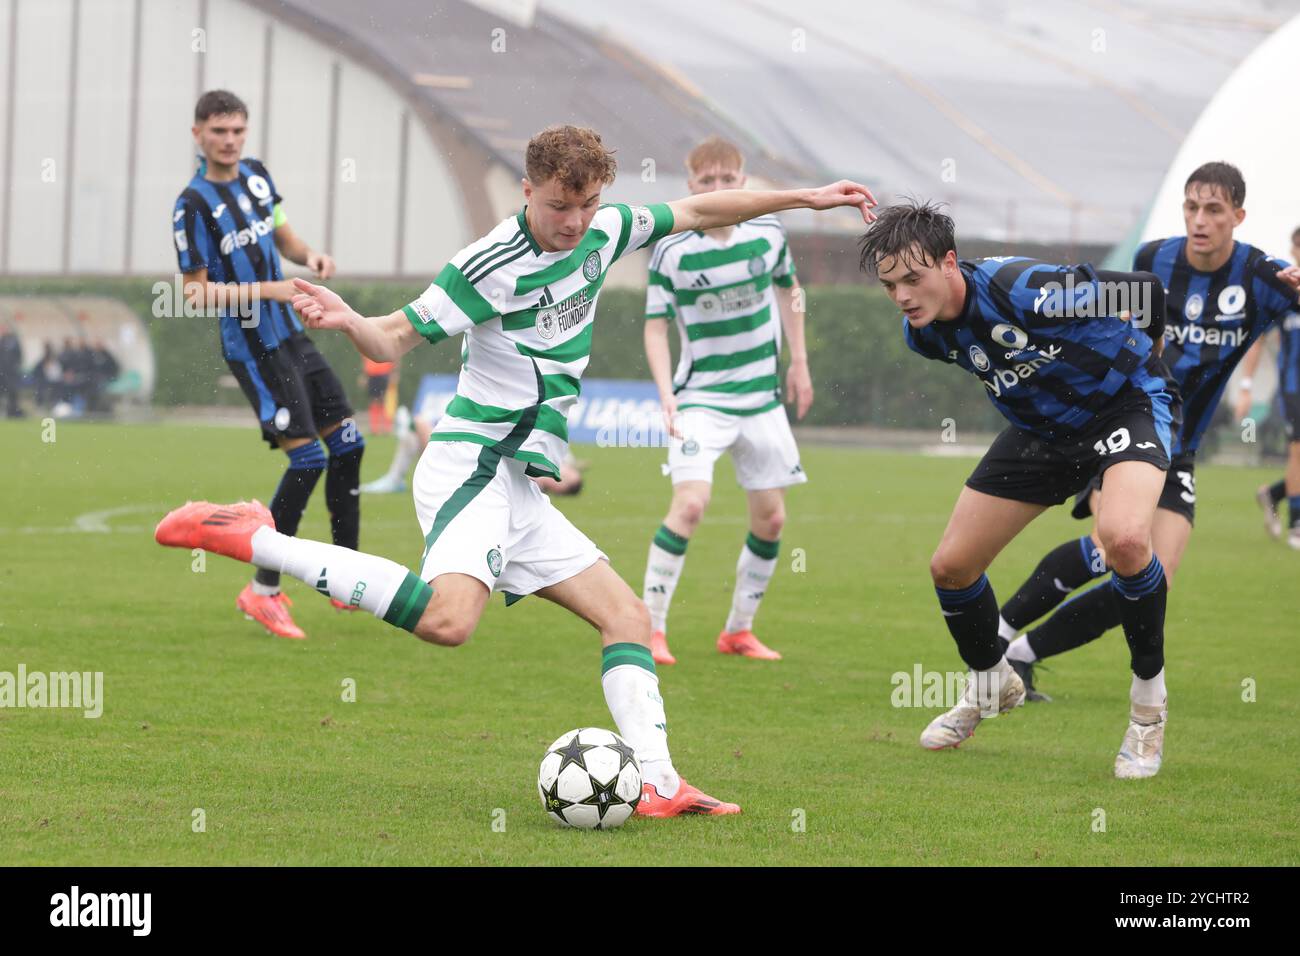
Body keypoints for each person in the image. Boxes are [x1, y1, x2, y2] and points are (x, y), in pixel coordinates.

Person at [156, 123, 875, 816]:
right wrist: (351, 320)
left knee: (625, 616)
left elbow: (696, 208)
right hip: (470, 462)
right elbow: (394, 339)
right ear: (528, 188)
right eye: (560, 205)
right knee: (448, 622)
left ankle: (659, 784)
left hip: (517, 478)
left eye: (588, 204)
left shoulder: (605, 230)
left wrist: (805, 199)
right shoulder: (487, 263)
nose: (574, 222)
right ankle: (257, 538)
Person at [859, 199, 1177, 778]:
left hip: (1122, 407)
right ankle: (992, 683)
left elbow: (1147, 293)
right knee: (951, 567)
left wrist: (1142, 360)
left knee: (1126, 540)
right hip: (1042, 433)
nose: (902, 296)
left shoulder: (1025, 287)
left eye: (913, 278)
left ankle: (1148, 710)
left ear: (949, 262)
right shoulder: (923, 334)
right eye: (889, 286)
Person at [998, 165, 1300, 699]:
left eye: (1213, 210)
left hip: (1181, 446)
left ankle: (1019, 656)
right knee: (1114, 548)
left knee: (1149, 580)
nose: (1199, 220)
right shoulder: (1151, 260)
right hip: (1123, 429)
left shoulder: (1261, 276)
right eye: (1191, 207)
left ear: (1239, 216)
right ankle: (994, 639)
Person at [172, 89, 363, 640]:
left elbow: (283, 236)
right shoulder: (192, 204)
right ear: (198, 135)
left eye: (236, 131)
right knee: (306, 461)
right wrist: (274, 289)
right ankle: (262, 590)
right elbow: (196, 295)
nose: (229, 141)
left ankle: (346, 573)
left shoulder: (256, 176)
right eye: (218, 132)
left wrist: (310, 258)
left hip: (293, 333)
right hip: (254, 348)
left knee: (348, 444)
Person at [640, 137, 811, 664]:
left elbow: (791, 290)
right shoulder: (671, 249)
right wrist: (666, 395)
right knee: (690, 505)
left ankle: (738, 630)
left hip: (761, 400)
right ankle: (650, 629)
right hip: (702, 401)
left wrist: (799, 361)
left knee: (773, 520)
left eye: (727, 179)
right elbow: (654, 327)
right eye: (706, 181)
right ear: (691, 187)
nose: (718, 189)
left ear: (743, 182)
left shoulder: (767, 235)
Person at [1236, 225, 1300, 549]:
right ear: (1293, 251)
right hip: (1294, 388)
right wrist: (1246, 386)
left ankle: (1274, 494)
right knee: (1298, 452)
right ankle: (1297, 525)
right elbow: (1258, 339)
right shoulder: (1285, 295)